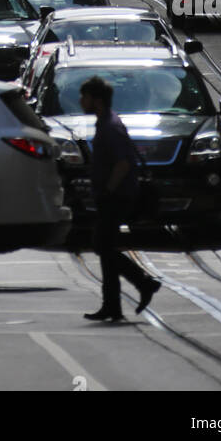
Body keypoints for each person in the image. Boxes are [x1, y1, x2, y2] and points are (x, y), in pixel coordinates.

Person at [79, 76, 160, 322]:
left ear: (97, 100)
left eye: (85, 97)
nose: (81, 101)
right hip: (114, 195)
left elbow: (123, 163)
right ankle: (112, 305)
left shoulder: (110, 126)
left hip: (116, 196)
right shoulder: (106, 122)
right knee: (106, 247)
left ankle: (143, 282)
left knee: (103, 245)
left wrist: (108, 190)